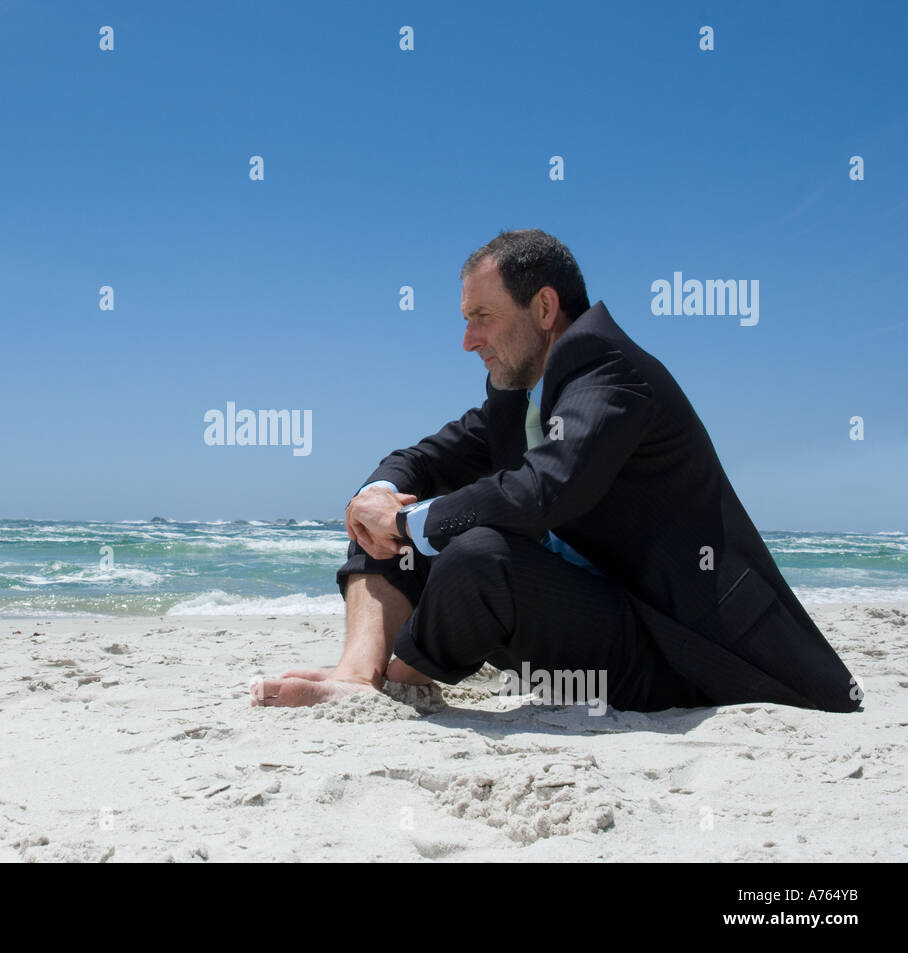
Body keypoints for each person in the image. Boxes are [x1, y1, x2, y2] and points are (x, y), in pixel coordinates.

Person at [251, 229, 861, 713]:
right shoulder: (517, 398)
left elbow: (542, 489)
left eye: (483, 316)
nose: (468, 339)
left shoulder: (609, 373)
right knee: (381, 515)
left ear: (544, 307)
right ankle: (358, 674)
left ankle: (401, 682)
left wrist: (408, 522)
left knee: (472, 552)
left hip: (678, 648)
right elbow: (424, 458)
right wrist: (379, 497)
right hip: (593, 622)